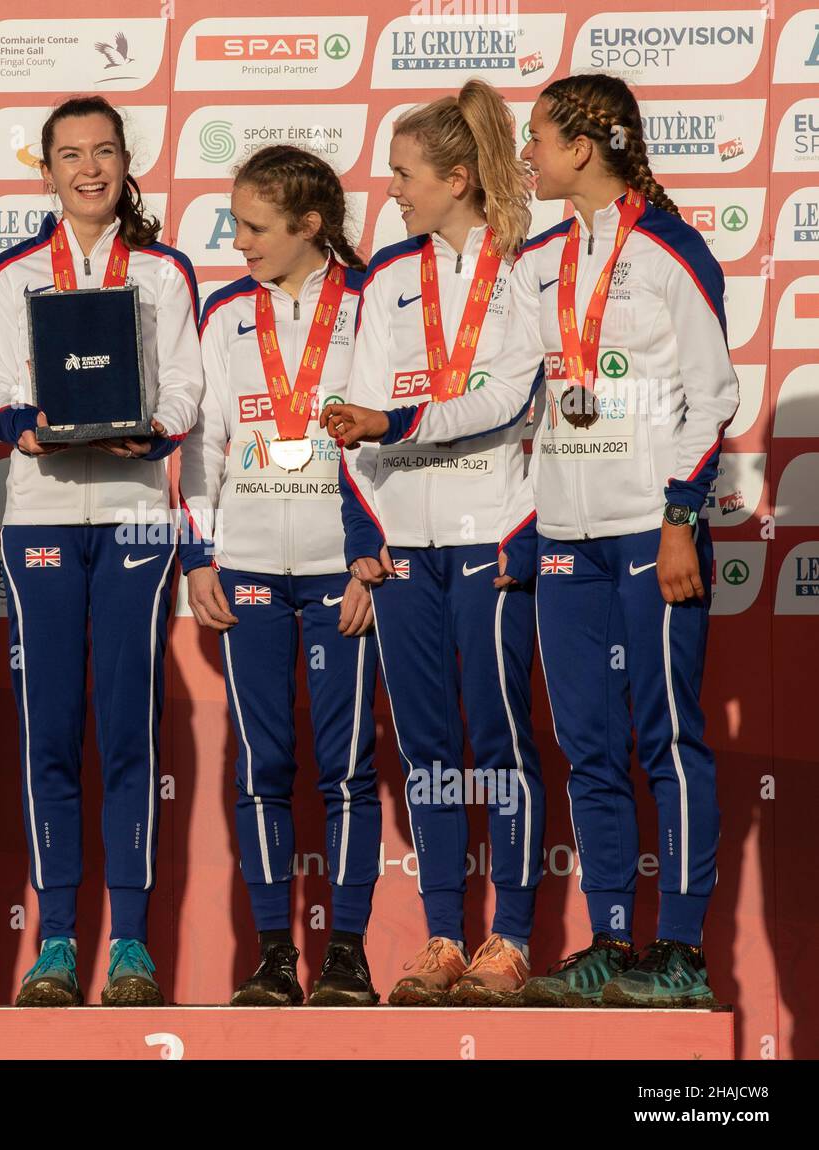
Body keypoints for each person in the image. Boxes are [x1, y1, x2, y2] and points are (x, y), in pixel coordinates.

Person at [324, 73, 738, 1007]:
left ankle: (681, 952)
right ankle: (611, 942)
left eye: (541, 143)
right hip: (563, 534)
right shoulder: (539, 259)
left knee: (668, 739)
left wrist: (680, 515)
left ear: (583, 150)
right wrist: (394, 424)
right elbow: (510, 390)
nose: (527, 160)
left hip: (647, 526)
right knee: (588, 743)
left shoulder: (672, 251)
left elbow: (712, 398)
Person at [0, 95, 204, 1007]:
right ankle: (59, 941)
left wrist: (153, 432)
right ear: (46, 168)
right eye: (70, 154)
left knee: (130, 729)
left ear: (125, 157)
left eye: (104, 150)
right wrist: (32, 429)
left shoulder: (162, 268)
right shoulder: (12, 271)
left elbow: (188, 386)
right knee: (51, 733)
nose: (90, 169)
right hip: (40, 516)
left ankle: (135, 947)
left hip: (138, 515)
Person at [335, 80, 545, 1007]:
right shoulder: (387, 277)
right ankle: (442, 939)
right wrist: (364, 532)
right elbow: (349, 414)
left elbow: (510, 399)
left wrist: (392, 421)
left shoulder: (527, 270)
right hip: (405, 547)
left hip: (492, 532)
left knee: (497, 743)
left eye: (404, 175)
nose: (390, 191)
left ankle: (515, 937)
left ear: (457, 178)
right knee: (425, 747)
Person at [178, 145, 381, 1006]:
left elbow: (386, 440)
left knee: (347, 767)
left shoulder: (372, 305)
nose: (240, 241)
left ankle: (347, 954)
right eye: (235, 223)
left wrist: (375, 555)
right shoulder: (226, 313)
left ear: (310, 226)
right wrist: (198, 552)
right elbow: (203, 442)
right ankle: (270, 954)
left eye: (256, 227)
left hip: (346, 568)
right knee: (261, 763)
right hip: (250, 564)